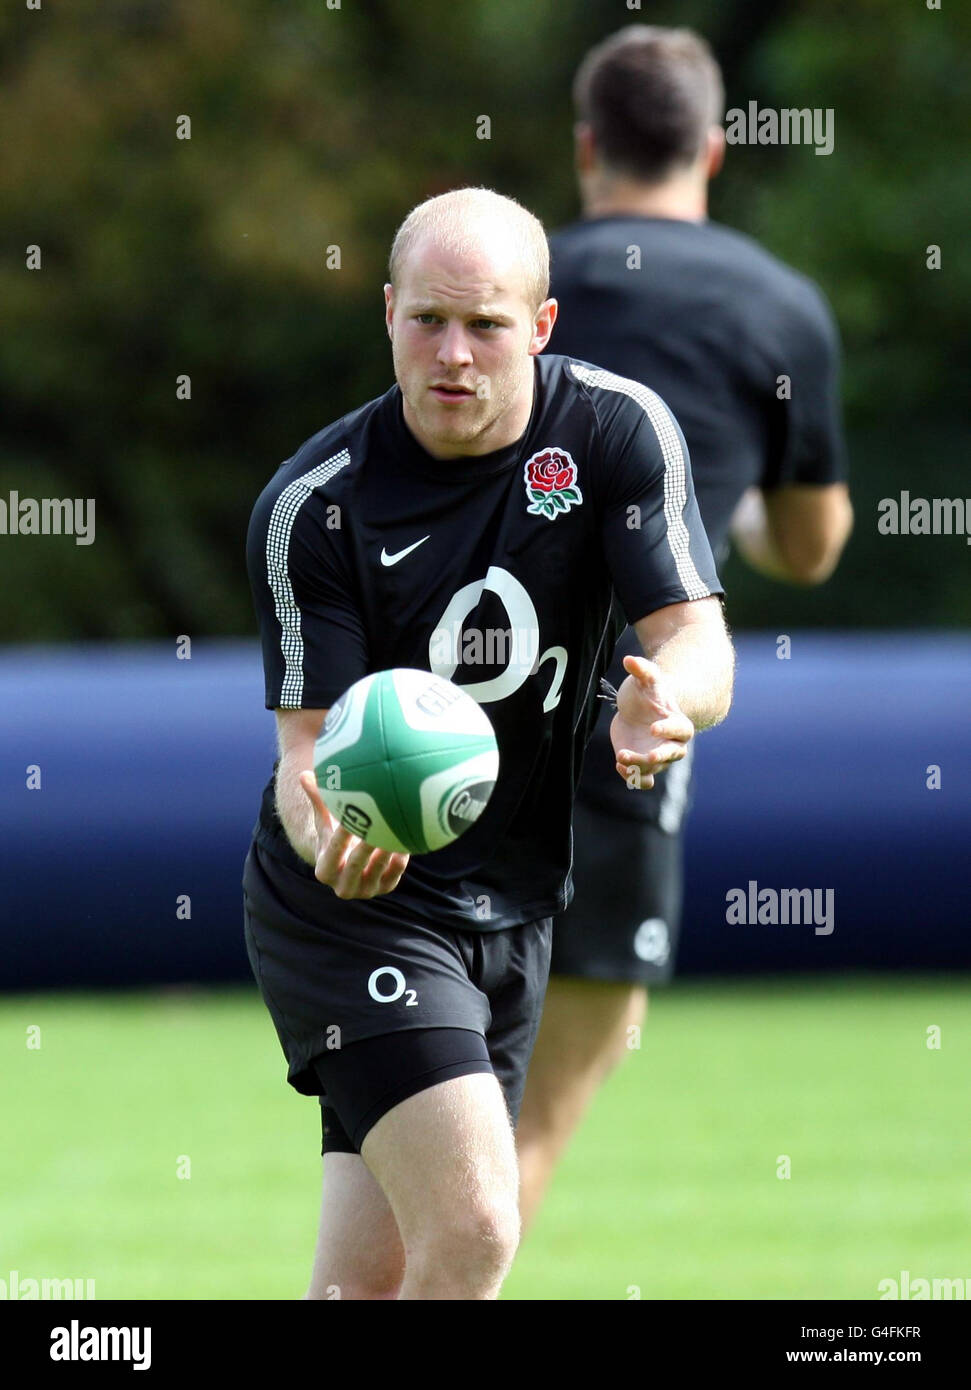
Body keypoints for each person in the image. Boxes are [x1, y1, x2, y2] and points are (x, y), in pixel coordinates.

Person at [243, 186, 734, 1300]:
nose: (452, 354)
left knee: (363, 1286)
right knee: (473, 1228)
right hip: (352, 901)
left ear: (543, 325)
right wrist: (330, 835)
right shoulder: (314, 505)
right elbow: (305, 752)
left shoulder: (613, 432)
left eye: (486, 324)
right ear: (386, 315)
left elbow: (693, 635)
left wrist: (672, 703)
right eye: (427, 320)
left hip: (514, 904)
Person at [515, 25, 853, 1226]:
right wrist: (738, 507)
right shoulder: (776, 308)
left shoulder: (511, 289)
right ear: (712, 150)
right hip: (626, 721)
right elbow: (811, 549)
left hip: (448, 703)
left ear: (585, 145)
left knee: (429, 1093)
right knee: (527, 1124)